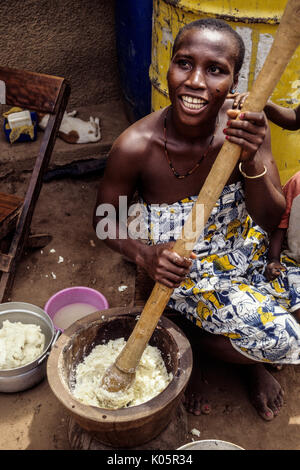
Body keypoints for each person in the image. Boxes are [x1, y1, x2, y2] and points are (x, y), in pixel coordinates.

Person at [94, 18, 300, 422]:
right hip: (188, 267)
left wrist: (251, 158)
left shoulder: (244, 124)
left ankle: (234, 352)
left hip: (246, 248)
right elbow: (105, 222)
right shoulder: (136, 145)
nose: (196, 81)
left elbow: (272, 215)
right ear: (169, 68)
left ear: (234, 80)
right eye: (185, 64)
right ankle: (198, 343)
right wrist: (147, 255)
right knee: (281, 338)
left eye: (215, 70)